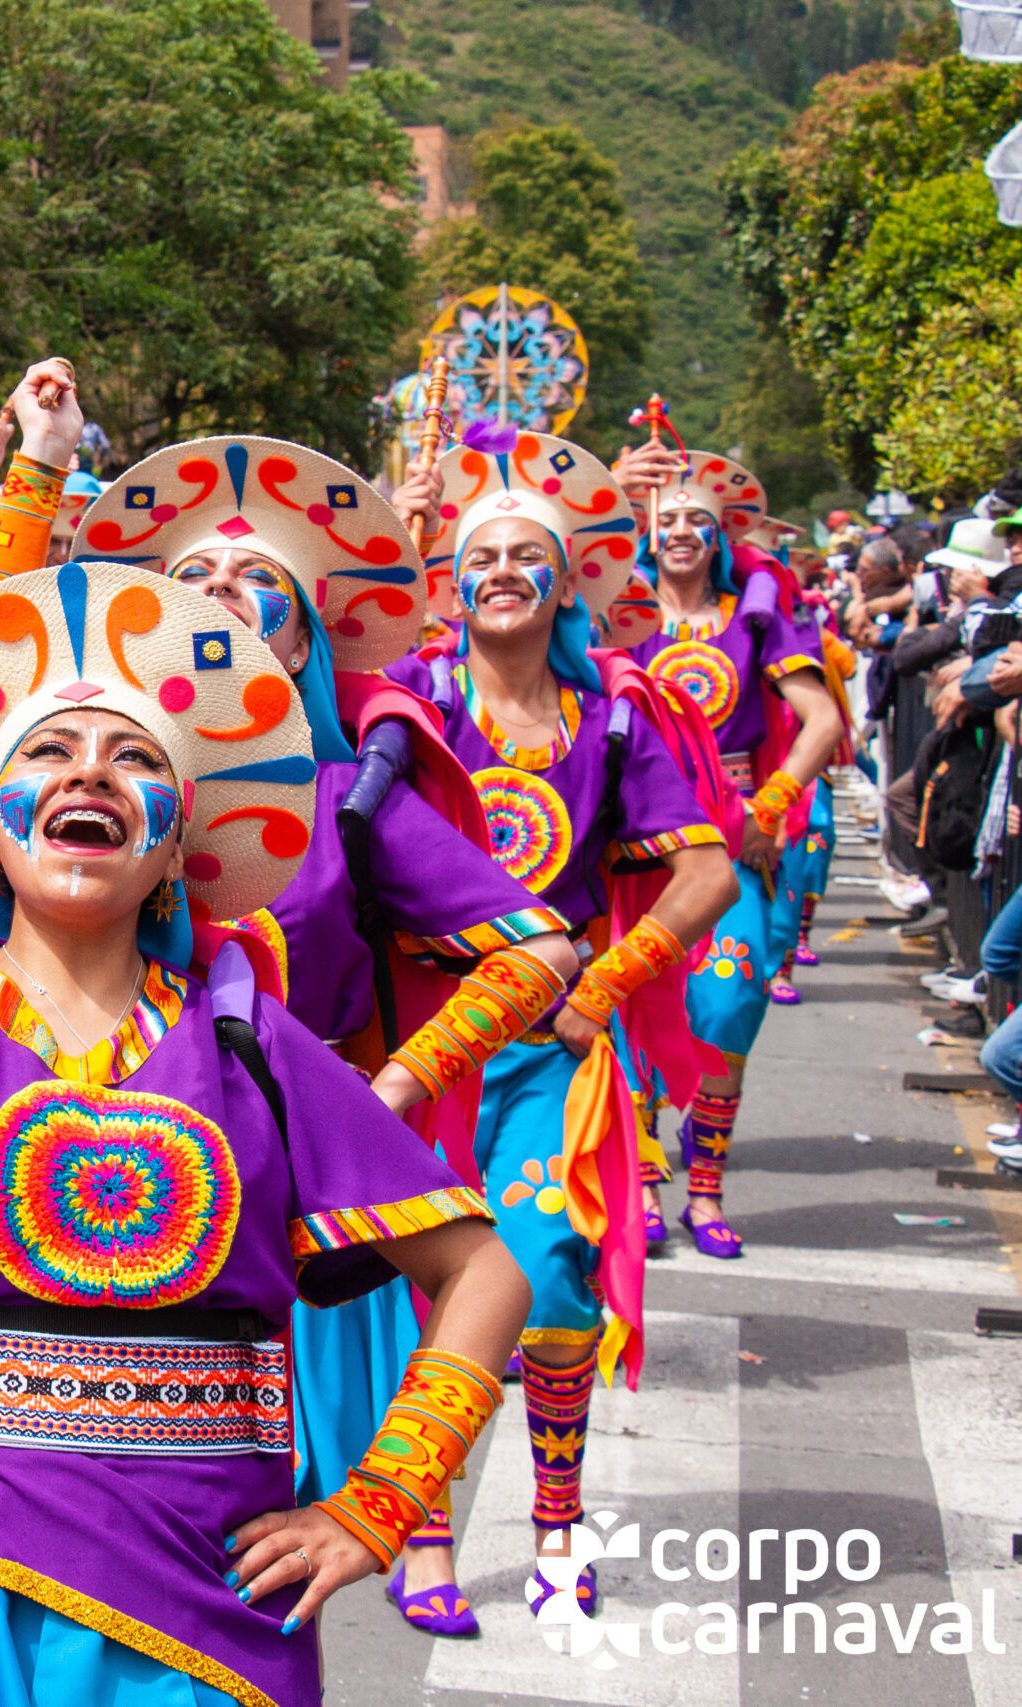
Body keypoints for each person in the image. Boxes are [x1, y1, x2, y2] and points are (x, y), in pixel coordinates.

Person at [0, 452, 530, 1705]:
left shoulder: (257, 1047)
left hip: (206, 1589)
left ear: (176, 850)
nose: (90, 771)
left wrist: (378, 1506)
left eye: (131, 759)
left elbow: (482, 1272)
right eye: (49, 752)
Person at [75, 434, 577, 1635]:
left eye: (259, 598)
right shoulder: (77, 789)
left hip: (292, 1183)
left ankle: (415, 1525)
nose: (223, 612)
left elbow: (542, 950)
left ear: (304, 648)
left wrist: (394, 1088)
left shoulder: (350, 796)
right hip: (102, 1176)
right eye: (192, 591)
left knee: (266, 1531)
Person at [386, 423, 737, 1621]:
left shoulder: (613, 718)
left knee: (548, 1278)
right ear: (448, 579)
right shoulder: (409, 707)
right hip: (414, 1048)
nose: (497, 571)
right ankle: (421, 1532)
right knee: (419, 1290)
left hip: (551, 1054)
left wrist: (599, 984)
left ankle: (553, 1526)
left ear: (565, 582)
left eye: (522, 555)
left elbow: (706, 876)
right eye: (476, 555)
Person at [613, 445, 843, 1257]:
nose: (679, 531)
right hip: (638, 835)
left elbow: (820, 720)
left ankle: (704, 1188)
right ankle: (640, 1176)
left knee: (727, 1003)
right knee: (633, 993)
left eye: (696, 521)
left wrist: (772, 806)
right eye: (665, 518)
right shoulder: (621, 612)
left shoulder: (757, 616)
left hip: (733, 837)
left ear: (719, 537)